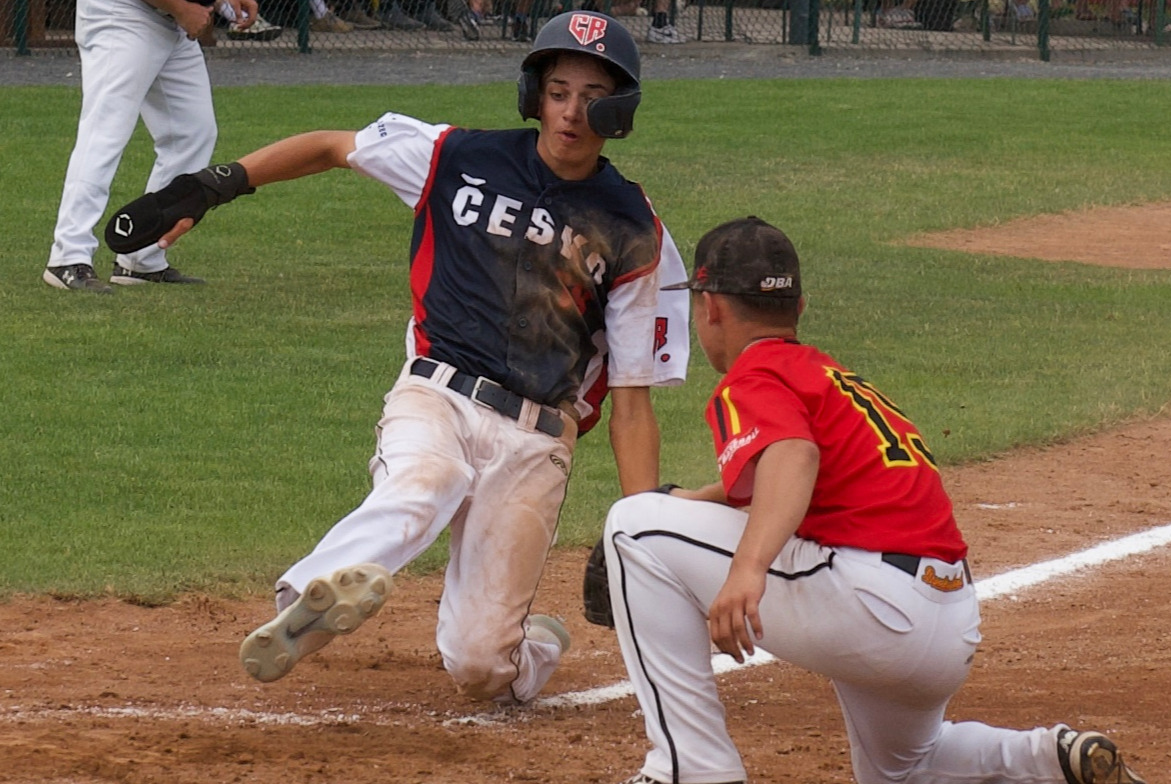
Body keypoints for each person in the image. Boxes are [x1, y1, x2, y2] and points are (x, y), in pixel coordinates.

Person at [109, 10, 689, 704]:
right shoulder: (457, 157)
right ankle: (312, 595)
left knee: (478, 667)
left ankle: (529, 650)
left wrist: (638, 525)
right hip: (435, 393)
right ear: (533, 94)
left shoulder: (633, 229)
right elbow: (331, 146)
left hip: (534, 439)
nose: (571, 111)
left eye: (592, 97)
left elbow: (630, 401)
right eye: (559, 90)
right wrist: (215, 184)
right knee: (424, 481)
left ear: (619, 108)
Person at [600, 216, 1148, 784]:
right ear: (799, 307)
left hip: (874, 607)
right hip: (948, 623)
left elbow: (792, 457)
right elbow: (787, 475)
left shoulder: (754, 376)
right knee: (904, 770)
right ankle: (1047, 760)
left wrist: (747, 569)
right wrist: (690, 500)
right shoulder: (832, 378)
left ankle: (688, 769)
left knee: (634, 527)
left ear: (710, 307)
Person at [42, 0, 258, 293]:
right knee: (105, 131)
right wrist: (182, 8)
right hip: (122, 14)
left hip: (169, 20)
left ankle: (142, 255)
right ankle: (68, 255)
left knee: (193, 132)